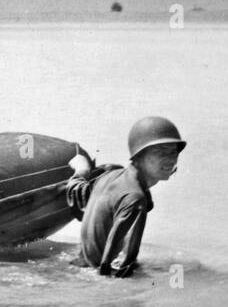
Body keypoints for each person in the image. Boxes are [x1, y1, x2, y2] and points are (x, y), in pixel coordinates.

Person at [65, 116, 186, 278]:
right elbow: (121, 266)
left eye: (173, 152)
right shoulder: (136, 199)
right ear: (139, 155)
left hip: (78, 264)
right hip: (95, 276)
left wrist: (81, 170)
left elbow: (79, 194)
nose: (170, 159)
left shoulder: (112, 175)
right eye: (160, 152)